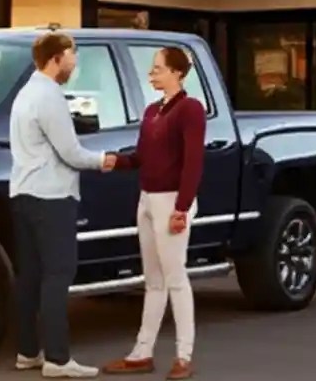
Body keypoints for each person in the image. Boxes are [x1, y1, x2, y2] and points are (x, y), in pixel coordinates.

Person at [9, 31, 118, 379]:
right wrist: (103, 160)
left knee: (30, 276)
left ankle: (27, 352)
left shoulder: (25, 93)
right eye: (72, 54)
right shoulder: (50, 96)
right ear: (56, 58)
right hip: (52, 197)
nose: (75, 61)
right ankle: (57, 359)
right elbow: (70, 152)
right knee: (58, 275)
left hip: (23, 193)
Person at [102, 46, 206, 380]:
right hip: (147, 199)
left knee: (176, 278)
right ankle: (142, 352)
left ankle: (184, 356)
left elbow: (193, 162)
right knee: (154, 280)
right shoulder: (151, 111)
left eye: (158, 68)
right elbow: (142, 156)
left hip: (172, 201)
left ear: (177, 72)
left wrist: (182, 208)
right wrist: (117, 161)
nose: (152, 74)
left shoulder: (191, 109)